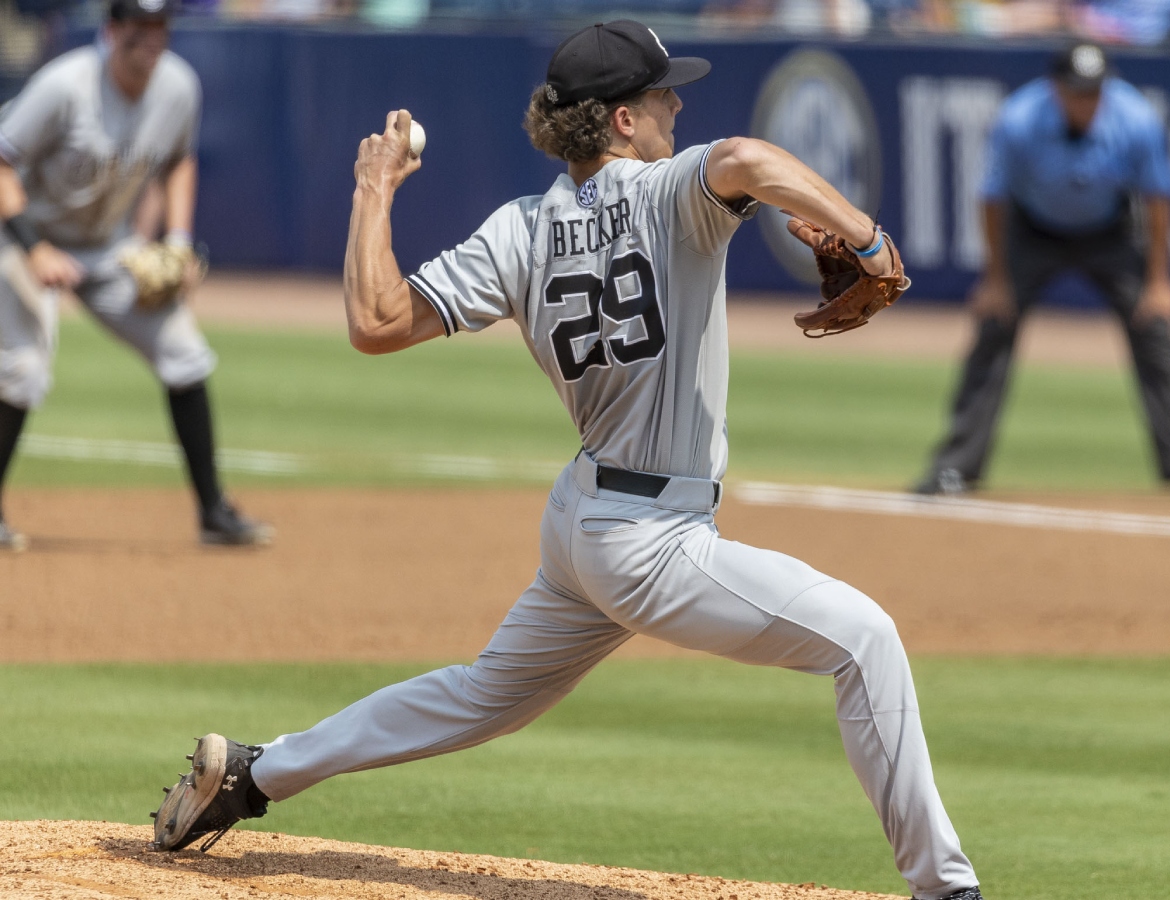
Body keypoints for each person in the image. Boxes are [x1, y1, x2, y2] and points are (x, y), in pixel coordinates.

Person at [148, 20, 982, 900]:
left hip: (581, 523)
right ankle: (947, 889)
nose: (676, 103)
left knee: (476, 698)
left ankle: (257, 772)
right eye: (663, 93)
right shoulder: (671, 193)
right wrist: (864, 235)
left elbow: (376, 321)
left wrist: (373, 190)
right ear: (622, 120)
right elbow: (742, 156)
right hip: (651, 540)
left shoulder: (519, 228)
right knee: (865, 641)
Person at [0, 0, 272, 549]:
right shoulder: (66, 85)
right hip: (25, 236)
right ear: (112, 30)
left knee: (184, 351)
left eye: (160, 25)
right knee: (23, 368)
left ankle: (213, 512)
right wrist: (34, 248)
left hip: (106, 249)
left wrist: (175, 241)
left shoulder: (178, 87)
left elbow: (179, 160)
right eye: (139, 25)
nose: (151, 37)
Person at [912, 39, 1170, 499]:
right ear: (1055, 89)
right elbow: (993, 198)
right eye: (1078, 92)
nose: (1088, 102)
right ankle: (955, 467)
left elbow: (1159, 198)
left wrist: (1159, 282)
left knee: (1154, 329)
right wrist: (996, 279)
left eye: (1095, 91)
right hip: (1033, 229)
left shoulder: (1135, 118)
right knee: (993, 328)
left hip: (1111, 231)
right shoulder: (1019, 119)